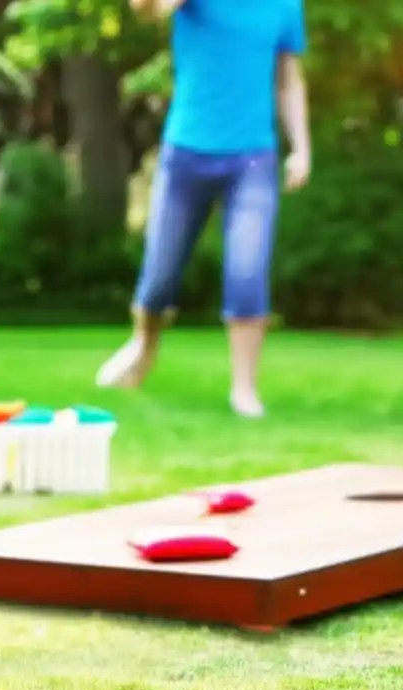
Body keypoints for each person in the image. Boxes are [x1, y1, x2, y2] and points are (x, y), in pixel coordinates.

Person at [97, 0, 311, 419]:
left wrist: (301, 148)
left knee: (247, 272)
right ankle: (143, 347)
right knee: (159, 277)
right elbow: (145, 9)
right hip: (186, 155)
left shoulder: (285, 5)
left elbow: (288, 79)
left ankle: (244, 389)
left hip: (253, 158)